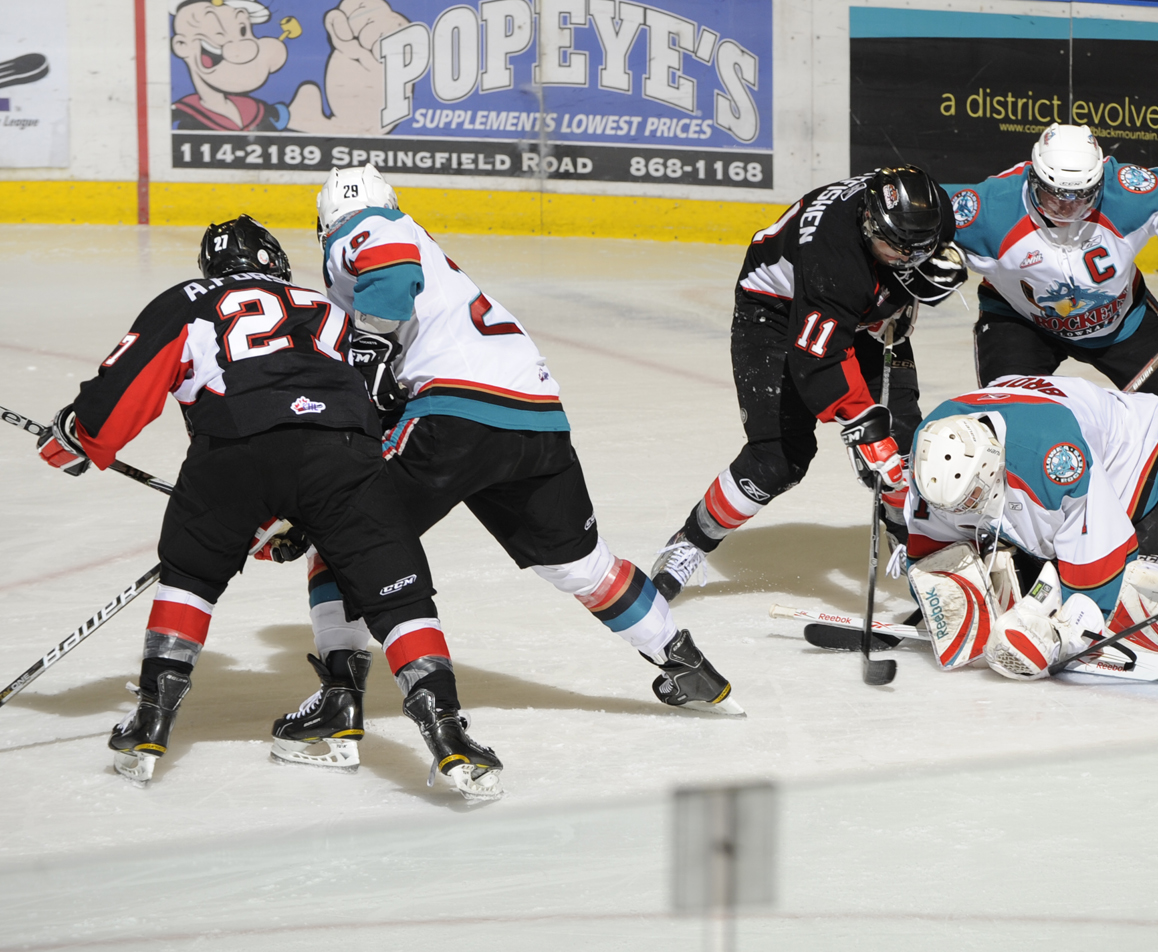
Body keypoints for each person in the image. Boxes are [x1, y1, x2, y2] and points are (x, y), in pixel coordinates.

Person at [258, 169, 740, 771]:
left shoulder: (364, 229)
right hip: (536, 416)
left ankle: (339, 703)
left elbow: (388, 274)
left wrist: (311, 492)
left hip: (454, 412)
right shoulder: (429, 255)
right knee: (582, 564)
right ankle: (687, 666)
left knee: (340, 540)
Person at [34, 217, 504, 795]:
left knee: (190, 573)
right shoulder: (324, 307)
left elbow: (122, 390)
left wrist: (77, 438)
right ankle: (448, 731)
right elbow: (383, 395)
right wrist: (307, 506)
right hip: (343, 452)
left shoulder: (188, 299)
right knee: (398, 593)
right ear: (275, 261)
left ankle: (151, 720)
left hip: (234, 447)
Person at [649, 167, 962, 599]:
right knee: (778, 458)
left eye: (912, 250)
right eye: (890, 247)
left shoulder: (930, 211)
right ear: (868, 220)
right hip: (777, 312)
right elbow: (819, 358)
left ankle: (911, 543)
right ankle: (691, 541)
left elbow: (932, 248)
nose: (899, 254)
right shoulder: (834, 258)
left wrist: (905, 291)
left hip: (852, 310)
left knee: (906, 441)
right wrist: (865, 429)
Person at [951, 124, 1158, 533]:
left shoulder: (1126, 190)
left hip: (1121, 321)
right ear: (1033, 176)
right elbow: (921, 237)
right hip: (1021, 322)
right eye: (1054, 196)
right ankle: (1012, 529)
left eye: (1082, 197)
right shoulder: (988, 208)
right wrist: (928, 265)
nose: (1067, 209)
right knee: (1010, 427)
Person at [900, 374, 1158, 679]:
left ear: (994, 466)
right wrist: (941, 585)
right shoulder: (932, 449)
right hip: (1059, 453)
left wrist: (1065, 636)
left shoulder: (1056, 459)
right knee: (1032, 582)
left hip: (1138, 454)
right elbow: (931, 533)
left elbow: (1099, 559)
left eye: (975, 500)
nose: (967, 511)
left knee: (1143, 597)